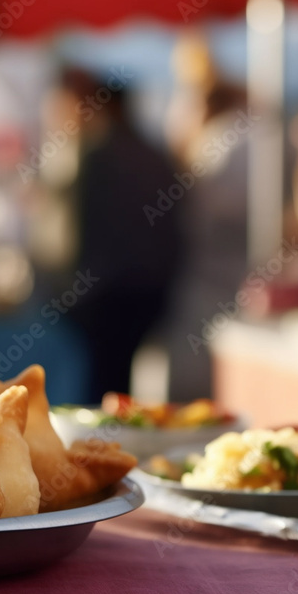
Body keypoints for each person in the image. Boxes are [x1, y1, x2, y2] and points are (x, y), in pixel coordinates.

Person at [63, 71, 183, 402]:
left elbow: (81, 233)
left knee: (102, 390)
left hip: (105, 297)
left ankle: (102, 449)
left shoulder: (98, 155)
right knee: (123, 386)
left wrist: (75, 295)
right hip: (149, 295)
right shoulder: (156, 156)